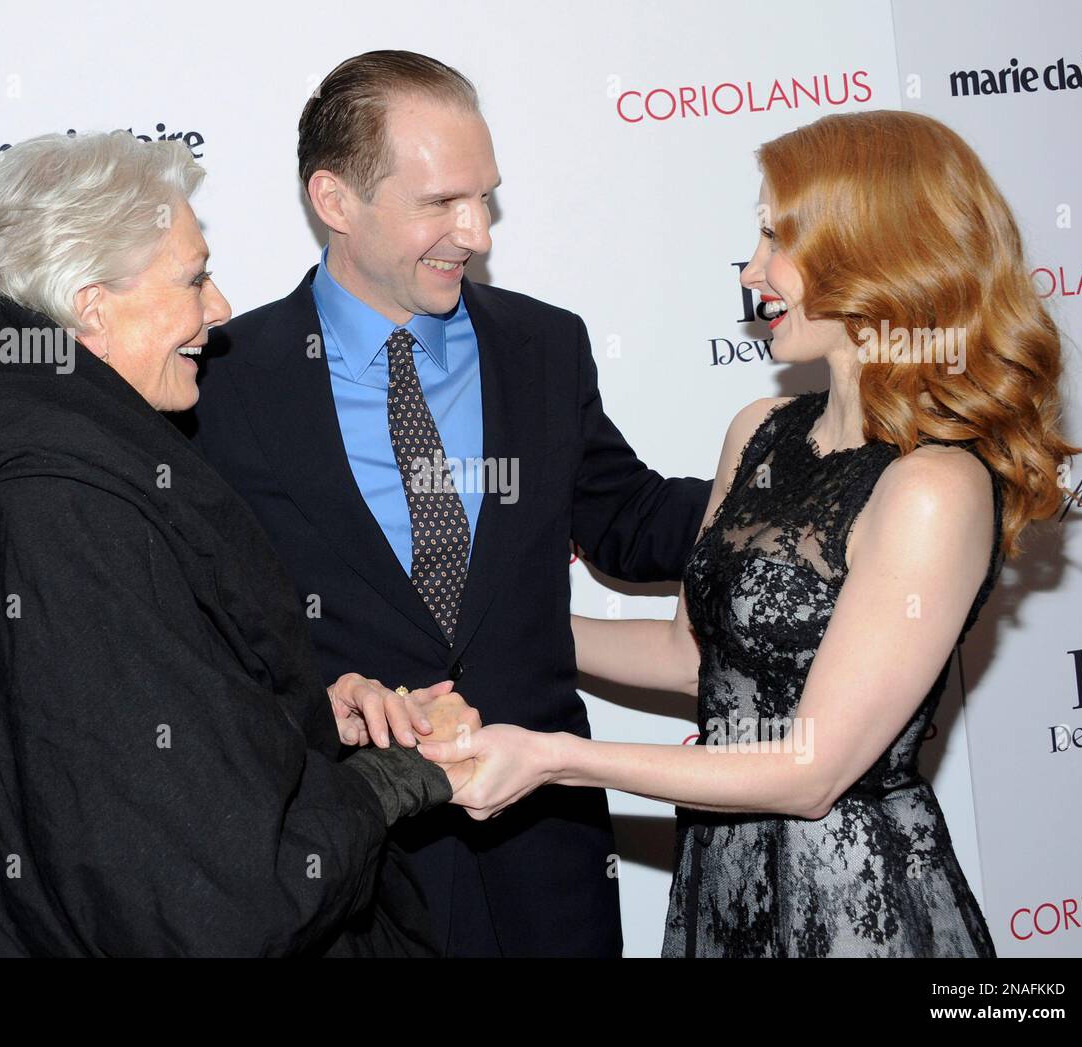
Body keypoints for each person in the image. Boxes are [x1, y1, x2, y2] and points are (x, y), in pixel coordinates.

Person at [419, 110, 1082, 957]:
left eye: (779, 236)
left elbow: (810, 771)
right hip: (719, 883)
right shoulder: (761, 428)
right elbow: (692, 658)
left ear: (878, 250)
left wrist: (554, 759)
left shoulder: (935, 487)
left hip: (853, 904)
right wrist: (470, 635)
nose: (755, 268)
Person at [0, 129, 481, 957]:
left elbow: (62, 769)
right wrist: (394, 782)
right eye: (194, 278)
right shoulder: (67, 509)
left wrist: (296, 721)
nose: (220, 308)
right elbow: (211, 899)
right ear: (92, 306)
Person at [181, 50, 713, 957]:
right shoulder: (225, 380)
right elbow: (202, 629)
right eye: (439, 203)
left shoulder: (541, 345)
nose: (477, 233)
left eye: (486, 198)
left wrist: (811, 482)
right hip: (353, 864)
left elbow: (627, 518)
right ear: (336, 200)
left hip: (547, 852)